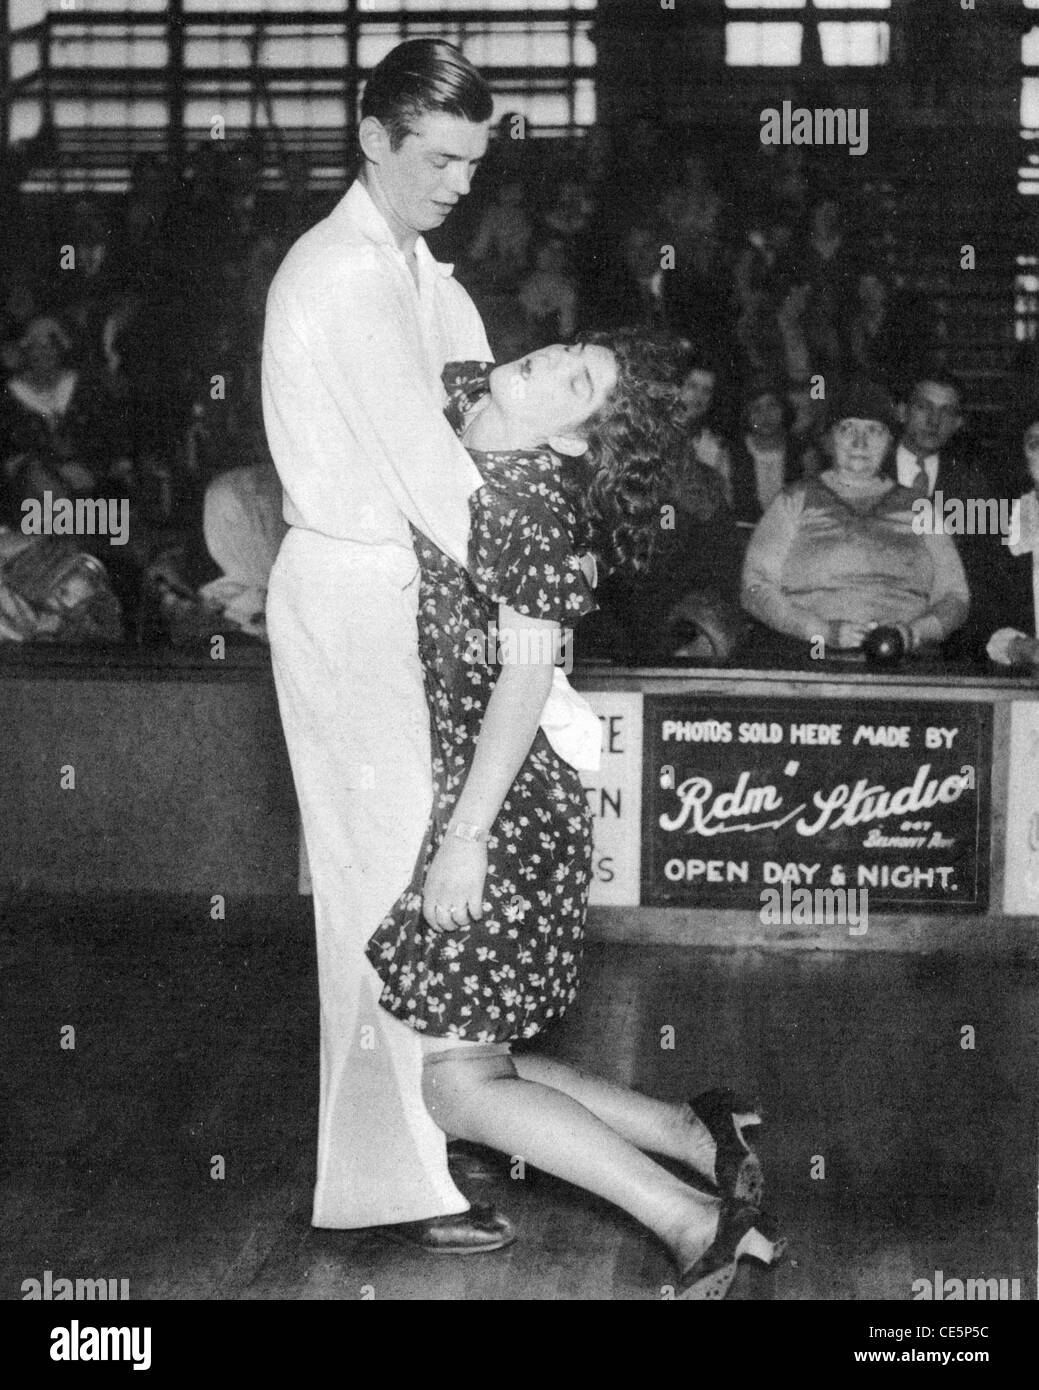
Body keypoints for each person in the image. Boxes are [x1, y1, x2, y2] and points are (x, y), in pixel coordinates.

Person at [365, 335, 781, 1301]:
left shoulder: (532, 513)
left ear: (577, 444)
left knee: (458, 1084)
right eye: (563, 351)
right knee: (483, 1055)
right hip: (462, 779)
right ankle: (692, 1132)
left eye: (577, 383)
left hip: (503, 802)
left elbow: (523, 678)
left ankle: (693, 1220)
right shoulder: (473, 395)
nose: (545, 366)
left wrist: (464, 842)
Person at [262, 40, 513, 1251]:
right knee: (373, 890)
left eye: (474, 160)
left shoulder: (419, 271)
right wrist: (537, 601)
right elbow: (436, 476)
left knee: (418, 881)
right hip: (356, 597)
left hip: (409, 594)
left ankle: (429, 1132)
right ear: (372, 137)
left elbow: (481, 433)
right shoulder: (341, 274)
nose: (460, 180)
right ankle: (386, 1185)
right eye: (439, 156)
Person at [741, 380, 969, 656]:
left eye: (873, 430)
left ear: (889, 441)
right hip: (811, 657)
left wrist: (912, 634)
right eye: (847, 428)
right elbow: (755, 587)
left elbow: (955, 596)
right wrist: (822, 631)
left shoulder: (920, 507)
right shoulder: (794, 499)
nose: (860, 442)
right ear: (829, 439)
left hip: (903, 661)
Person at [890, 370, 1007, 661]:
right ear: (902, 411)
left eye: (947, 412)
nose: (934, 421)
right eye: (923, 407)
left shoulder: (974, 487)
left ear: (958, 423)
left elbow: (985, 576)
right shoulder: (868, 473)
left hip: (948, 645)